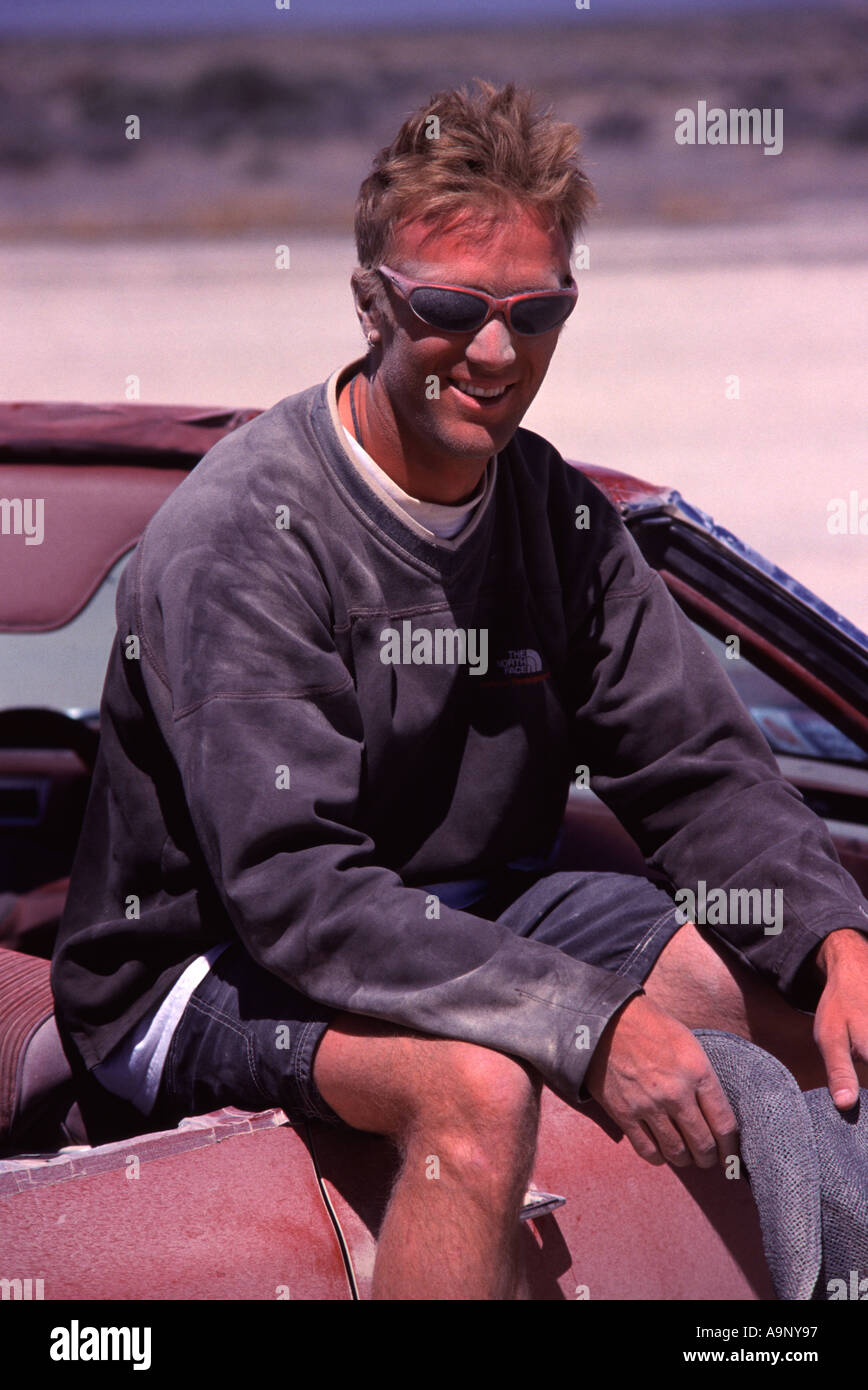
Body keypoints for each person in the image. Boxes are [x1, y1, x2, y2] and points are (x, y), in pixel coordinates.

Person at [51, 80, 868, 1300]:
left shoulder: (558, 518)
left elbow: (695, 767)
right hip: (202, 962)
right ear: (372, 300)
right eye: (451, 309)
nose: (494, 352)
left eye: (535, 313)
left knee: (811, 1013)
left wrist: (830, 934)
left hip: (468, 915)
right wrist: (581, 1024)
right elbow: (302, 897)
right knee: (473, 1085)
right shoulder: (242, 535)